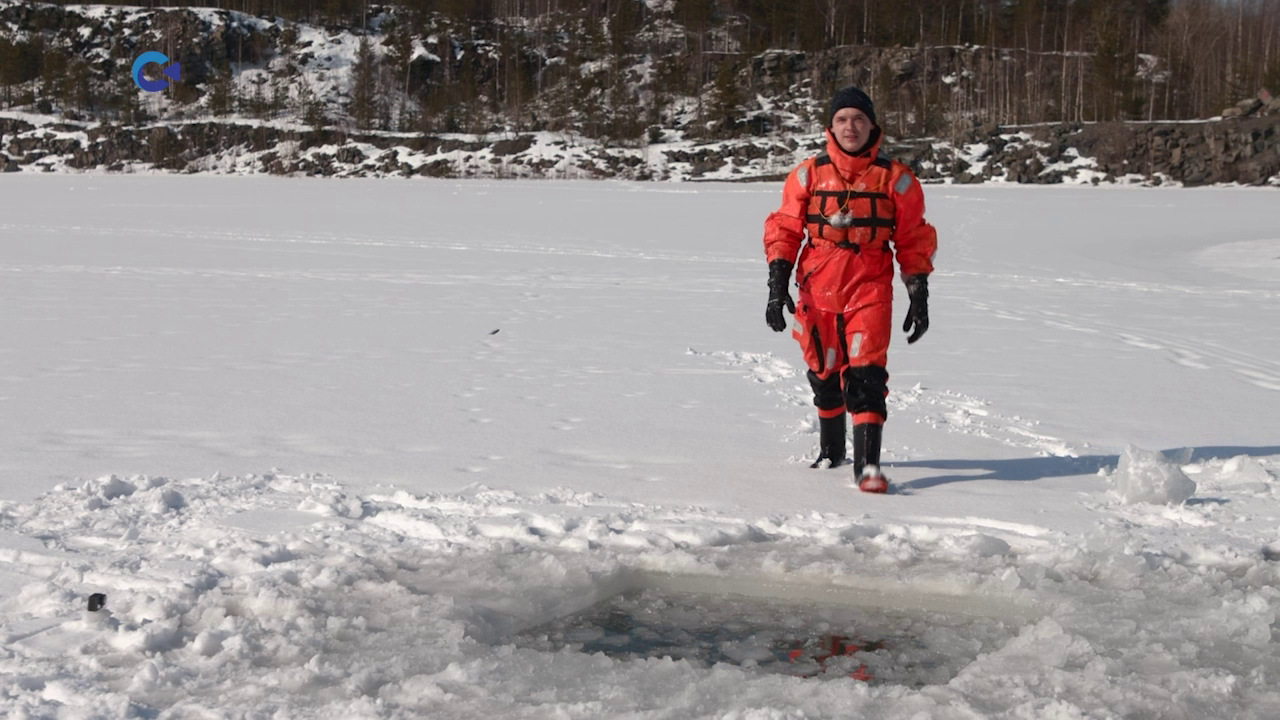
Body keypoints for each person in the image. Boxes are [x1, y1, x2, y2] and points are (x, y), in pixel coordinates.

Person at [761, 86, 937, 493]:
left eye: (858, 119)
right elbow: (784, 229)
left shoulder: (898, 180)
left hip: (870, 286)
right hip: (817, 286)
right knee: (823, 371)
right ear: (830, 127)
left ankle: (867, 468)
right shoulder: (807, 175)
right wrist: (776, 285)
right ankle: (831, 451)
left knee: (866, 373)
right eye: (842, 119)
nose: (850, 126)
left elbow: (913, 238)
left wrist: (918, 291)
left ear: (873, 125)